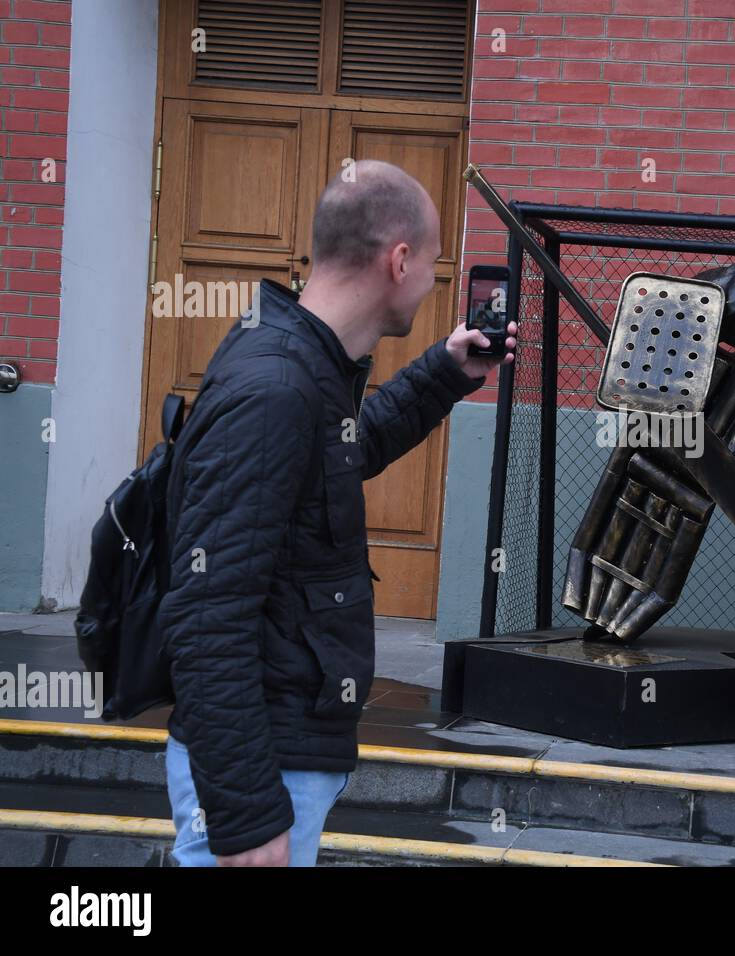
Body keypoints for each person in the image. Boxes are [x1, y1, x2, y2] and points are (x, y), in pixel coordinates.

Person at [158, 159, 516, 866]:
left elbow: (340, 457)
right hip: (263, 762)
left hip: (285, 747)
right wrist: (246, 813)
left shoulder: (303, 362)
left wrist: (445, 372)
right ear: (399, 259)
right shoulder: (277, 387)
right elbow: (207, 613)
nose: (435, 279)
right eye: (434, 260)